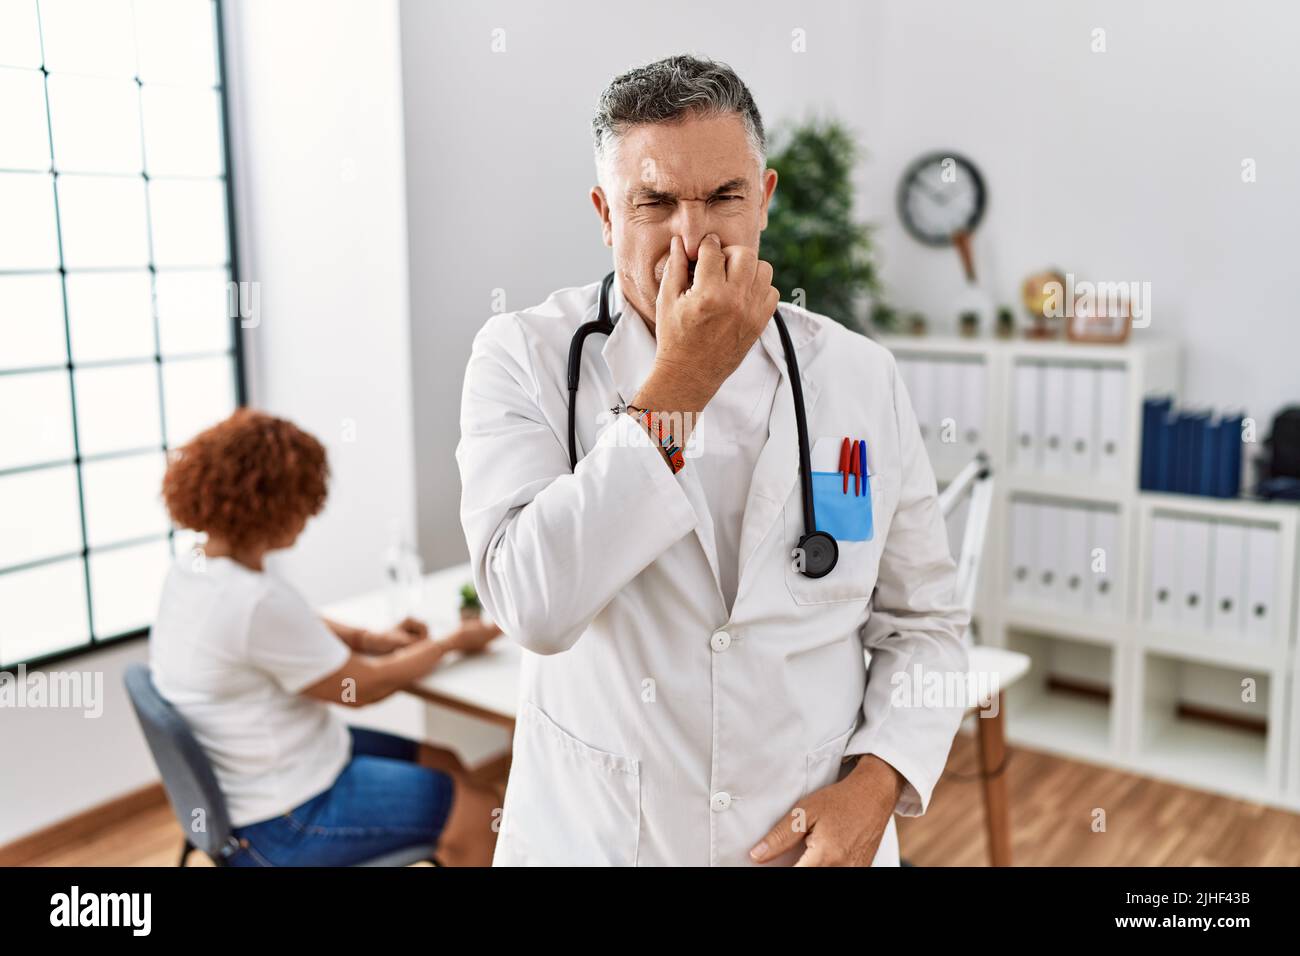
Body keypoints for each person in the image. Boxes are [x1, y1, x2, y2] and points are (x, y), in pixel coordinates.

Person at [457, 55, 970, 866]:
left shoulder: (858, 376)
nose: (692, 235)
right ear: (605, 213)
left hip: (809, 841)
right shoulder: (522, 356)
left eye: (724, 197)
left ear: (762, 201)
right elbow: (534, 607)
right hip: (601, 839)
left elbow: (926, 624)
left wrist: (879, 782)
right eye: (654, 201)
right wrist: (684, 379)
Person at [150, 408, 501, 866]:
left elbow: (287, 625)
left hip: (273, 774)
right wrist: (451, 642)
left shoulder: (194, 570)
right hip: (284, 818)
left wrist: (368, 639)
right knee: (485, 812)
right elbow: (365, 688)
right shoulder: (252, 602)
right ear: (275, 506)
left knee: (447, 761)